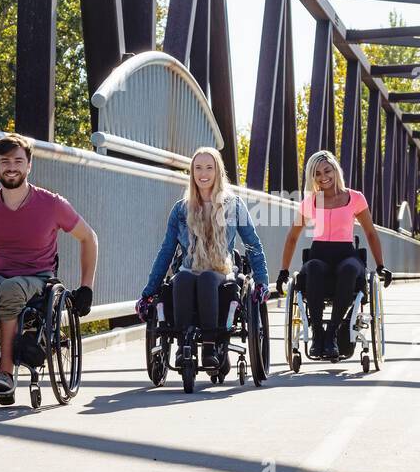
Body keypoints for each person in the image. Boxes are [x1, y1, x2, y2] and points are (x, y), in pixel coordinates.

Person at [0, 133, 98, 395]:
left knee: (11, 289)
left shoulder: (53, 204)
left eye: (17, 161)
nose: (11, 167)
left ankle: (6, 372)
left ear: (29, 166)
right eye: (4, 161)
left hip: (37, 278)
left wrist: (86, 287)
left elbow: (88, 237)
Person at [140, 147, 269, 369]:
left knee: (208, 278)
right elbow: (166, 251)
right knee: (182, 280)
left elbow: (252, 244)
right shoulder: (180, 209)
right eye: (198, 168)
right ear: (191, 172)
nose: (203, 173)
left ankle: (210, 344)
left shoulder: (234, 205)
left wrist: (262, 281)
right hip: (189, 268)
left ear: (218, 171)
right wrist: (148, 291)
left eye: (209, 167)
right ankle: (184, 346)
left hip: (221, 271)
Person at [277, 150, 391, 359]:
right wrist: (283, 270)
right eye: (318, 174)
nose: (323, 177)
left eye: (327, 171)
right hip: (319, 253)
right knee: (312, 268)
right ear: (313, 177)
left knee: (349, 269)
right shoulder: (311, 201)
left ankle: (332, 334)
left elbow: (370, 232)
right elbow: (292, 236)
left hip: (346, 253)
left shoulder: (355, 198)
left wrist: (381, 265)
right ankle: (318, 333)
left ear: (335, 170)